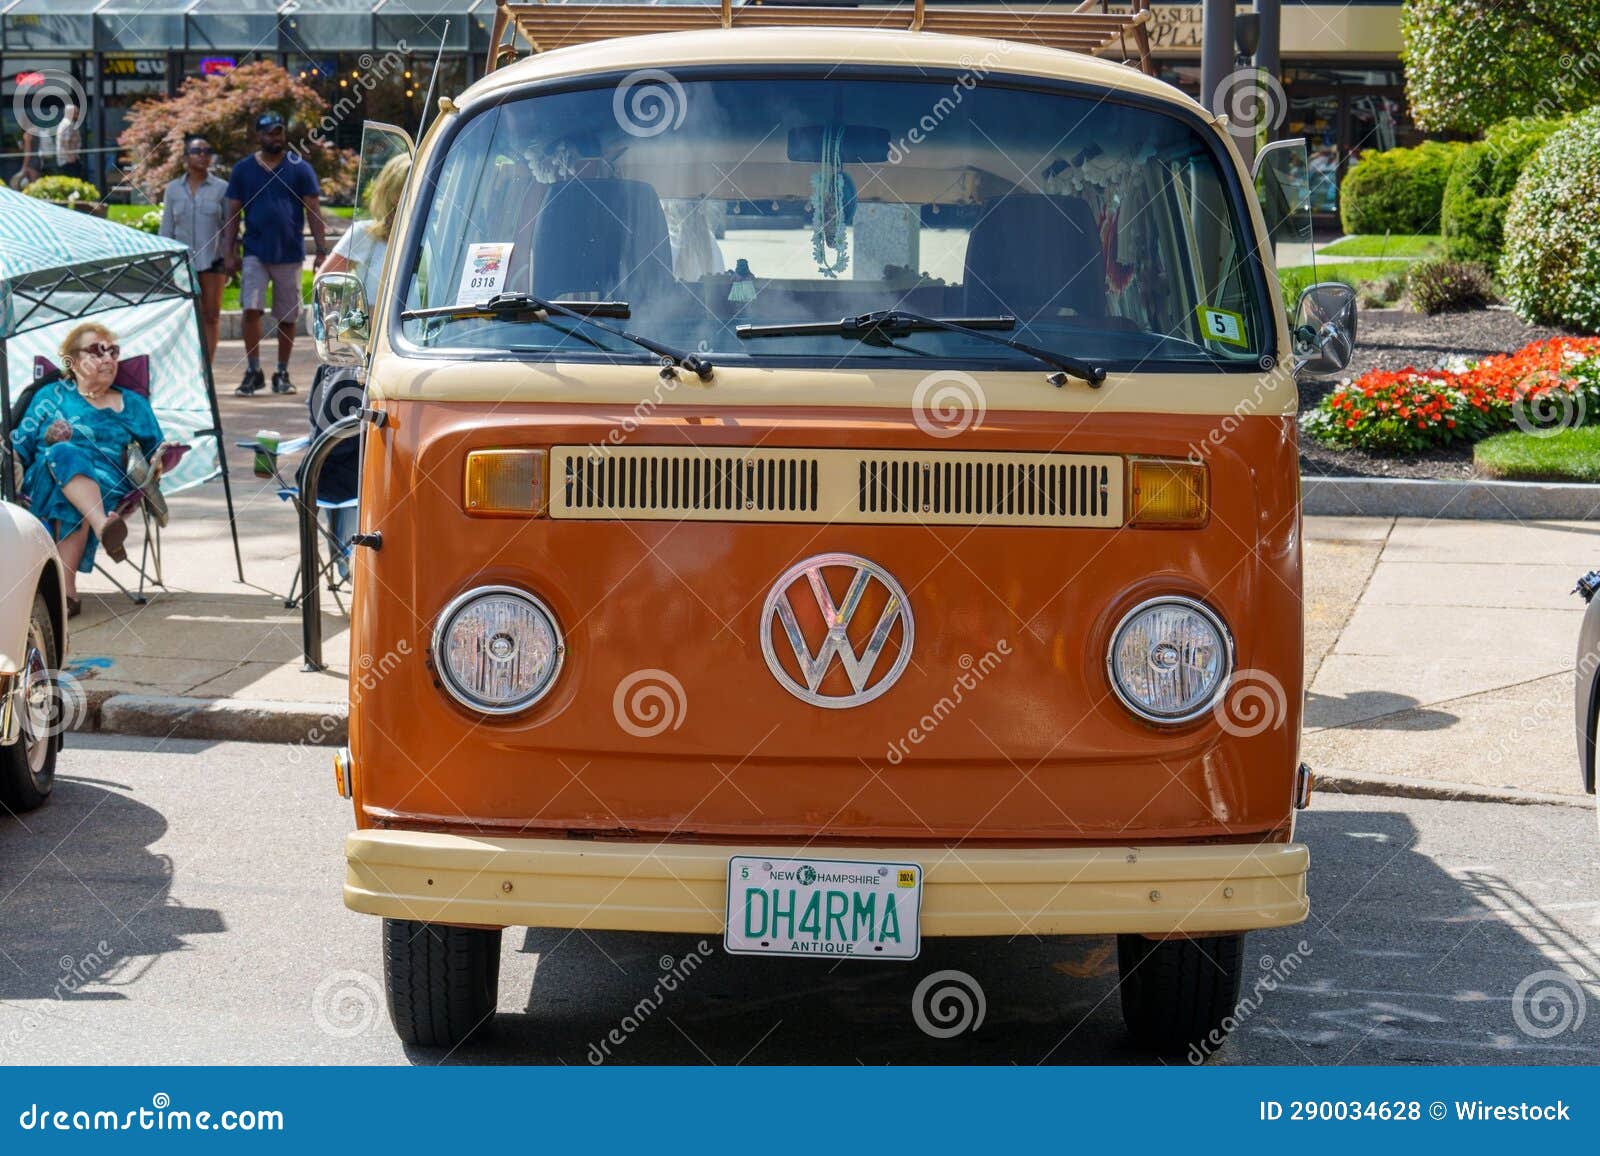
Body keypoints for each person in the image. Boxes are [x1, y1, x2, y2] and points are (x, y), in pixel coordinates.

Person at [12, 323, 164, 616]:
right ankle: (101, 526)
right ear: (71, 361)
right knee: (62, 452)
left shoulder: (132, 403)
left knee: (68, 488)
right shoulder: (48, 396)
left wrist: (164, 457)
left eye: (113, 351)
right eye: (97, 351)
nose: (108, 358)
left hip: (107, 486)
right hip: (43, 478)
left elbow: (156, 451)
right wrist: (46, 439)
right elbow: (18, 449)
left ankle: (64, 595)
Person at [314, 153, 412, 575]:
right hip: (361, 364)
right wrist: (353, 321)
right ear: (393, 191)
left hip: (415, 363)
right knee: (353, 449)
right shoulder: (364, 236)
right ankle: (351, 552)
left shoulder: (441, 237)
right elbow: (324, 284)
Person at [222, 111, 328, 396]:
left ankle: (282, 371)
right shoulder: (243, 170)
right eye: (269, 133)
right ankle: (253, 370)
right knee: (251, 309)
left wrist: (320, 250)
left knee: (288, 315)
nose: (275, 137)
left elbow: (313, 211)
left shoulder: (299, 168)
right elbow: (232, 214)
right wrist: (228, 252)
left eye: (279, 132)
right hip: (255, 250)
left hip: (290, 253)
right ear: (259, 136)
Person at [159, 136, 228, 362]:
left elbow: (229, 226)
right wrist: (165, 263)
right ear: (185, 157)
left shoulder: (221, 188)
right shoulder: (173, 189)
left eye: (207, 151)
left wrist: (229, 257)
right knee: (186, 316)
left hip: (213, 261)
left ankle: (206, 367)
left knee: (211, 316)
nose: (203, 155)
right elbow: (167, 228)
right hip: (182, 263)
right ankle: (187, 363)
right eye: (197, 151)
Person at [51, 101, 83, 180]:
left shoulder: (68, 123)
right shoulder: (67, 124)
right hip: (68, 161)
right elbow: (65, 142)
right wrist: (70, 156)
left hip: (69, 159)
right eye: (76, 112)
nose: (78, 115)